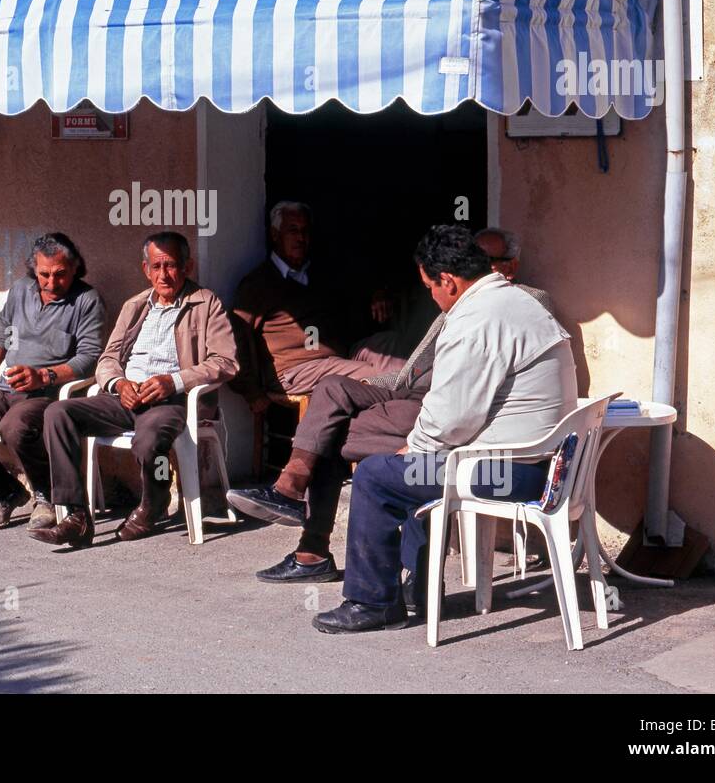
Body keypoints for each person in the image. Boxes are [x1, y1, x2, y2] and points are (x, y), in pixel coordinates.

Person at [227, 226, 556, 583]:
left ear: (512, 266)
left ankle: (311, 544)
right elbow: (418, 370)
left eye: (491, 262)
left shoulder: (519, 301)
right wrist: (370, 380)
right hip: (413, 388)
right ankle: (289, 488)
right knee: (333, 388)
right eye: (478, 261)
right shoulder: (465, 301)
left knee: (329, 436)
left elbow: (459, 407)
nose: (483, 270)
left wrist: (416, 448)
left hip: (443, 408)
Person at [311, 224, 578, 633]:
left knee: (375, 476)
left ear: (448, 281)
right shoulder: (519, 303)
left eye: (429, 287)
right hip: (541, 466)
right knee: (415, 469)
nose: (432, 297)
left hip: (508, 473)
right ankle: (420, 591)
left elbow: (452, 417)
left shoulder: (476, 319)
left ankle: (371, 602)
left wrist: (413, 449)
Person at [31, 231, 239, 549]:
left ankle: (152, 502)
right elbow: (108, 358)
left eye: (171, 266)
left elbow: (226, 361)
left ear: (188, 266)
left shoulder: (206, 303)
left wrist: (174, 381)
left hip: (171, 401)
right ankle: (75, 516)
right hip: (123, 397)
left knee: (150, 438)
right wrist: (118, 383)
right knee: (58, 413)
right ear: (146, 269)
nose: (163, 274)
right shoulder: (135, 305)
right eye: (156, 267)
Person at [0, 233, 105, 531]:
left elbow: (89, 358)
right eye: (44, 275)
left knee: (16, 427)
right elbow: (3, 328)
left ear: (75, 267)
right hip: (5, 385)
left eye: (60, 275)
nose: (52, 283)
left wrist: (44, 376)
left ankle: (46, 494)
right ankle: (5, 490)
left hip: (47, 391)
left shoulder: (86, 300)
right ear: (33, 270)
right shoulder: (21, 290)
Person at [231, 201, 402, 412]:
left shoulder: (319, 272)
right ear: (275, 235)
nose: (301, 238)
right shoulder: (258, 284)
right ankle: (389, 433)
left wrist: (377, 293)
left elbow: (356, 291)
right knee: (377, 376)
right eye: (293, 230)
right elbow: (234, 338)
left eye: (305, 231)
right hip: (295, 370)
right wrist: (251, 393)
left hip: (339, 356)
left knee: (397, 351)